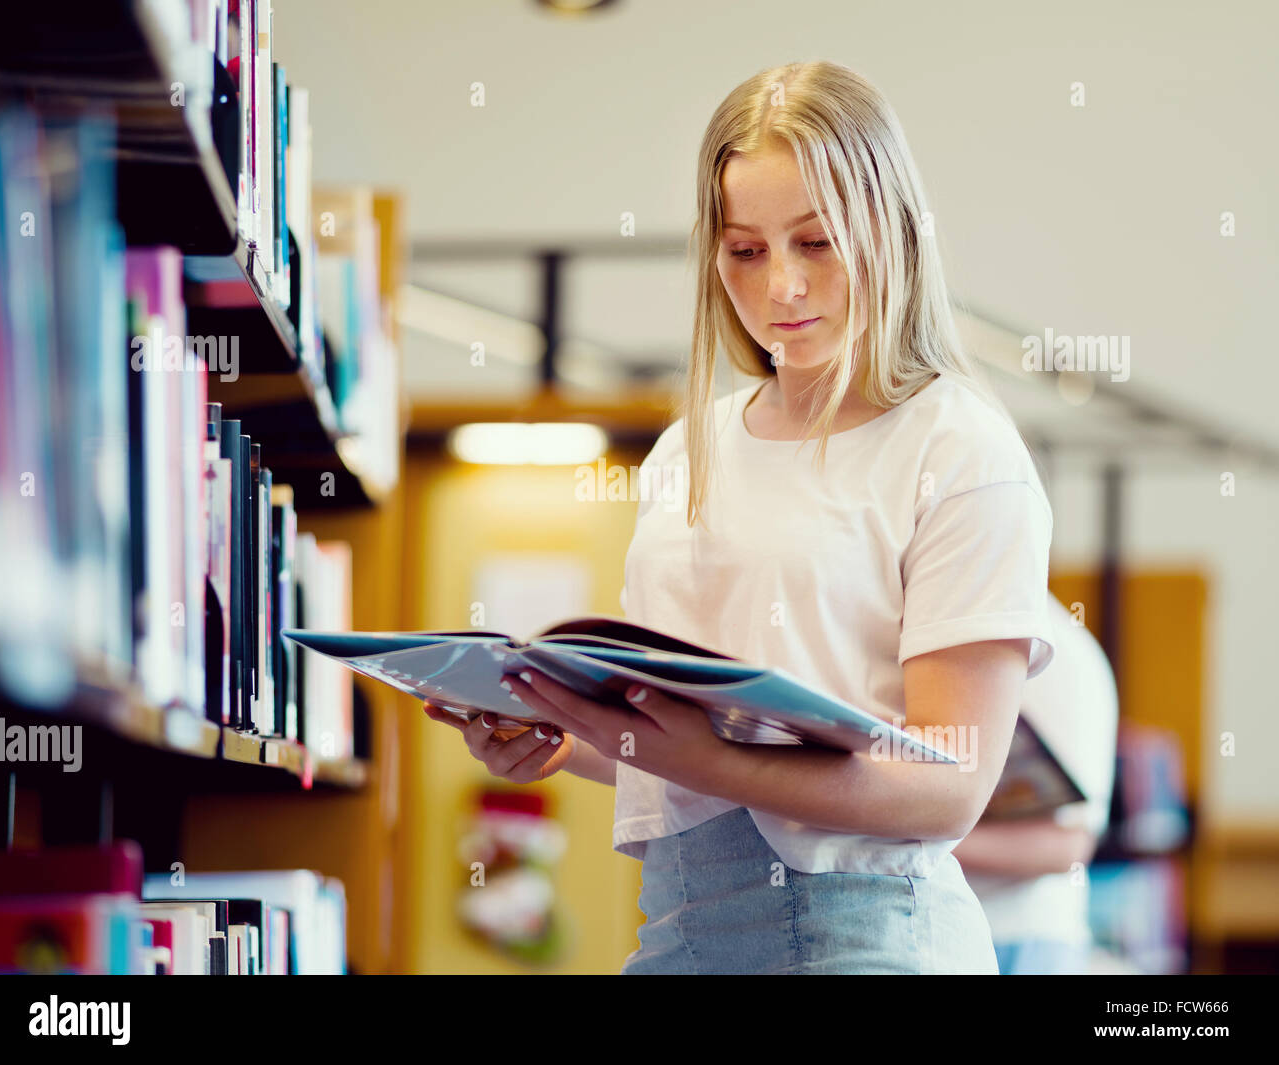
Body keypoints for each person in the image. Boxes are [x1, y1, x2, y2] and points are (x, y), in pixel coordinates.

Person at [423, 60, 1056, 974]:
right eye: (745, 251)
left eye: (817, 243)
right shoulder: (690, 447)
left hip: (864, 938)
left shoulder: (960, 452)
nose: (781, 290)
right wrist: (565, 735)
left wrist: (703, 759)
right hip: (679, 929)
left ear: (891, 231)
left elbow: (949, 789)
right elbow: (679, 752)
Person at [955, 593, 1119, 974]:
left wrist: (906, 834)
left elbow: (1065, 845)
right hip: (954, 924)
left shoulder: (1059, 652)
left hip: (1016, 939)